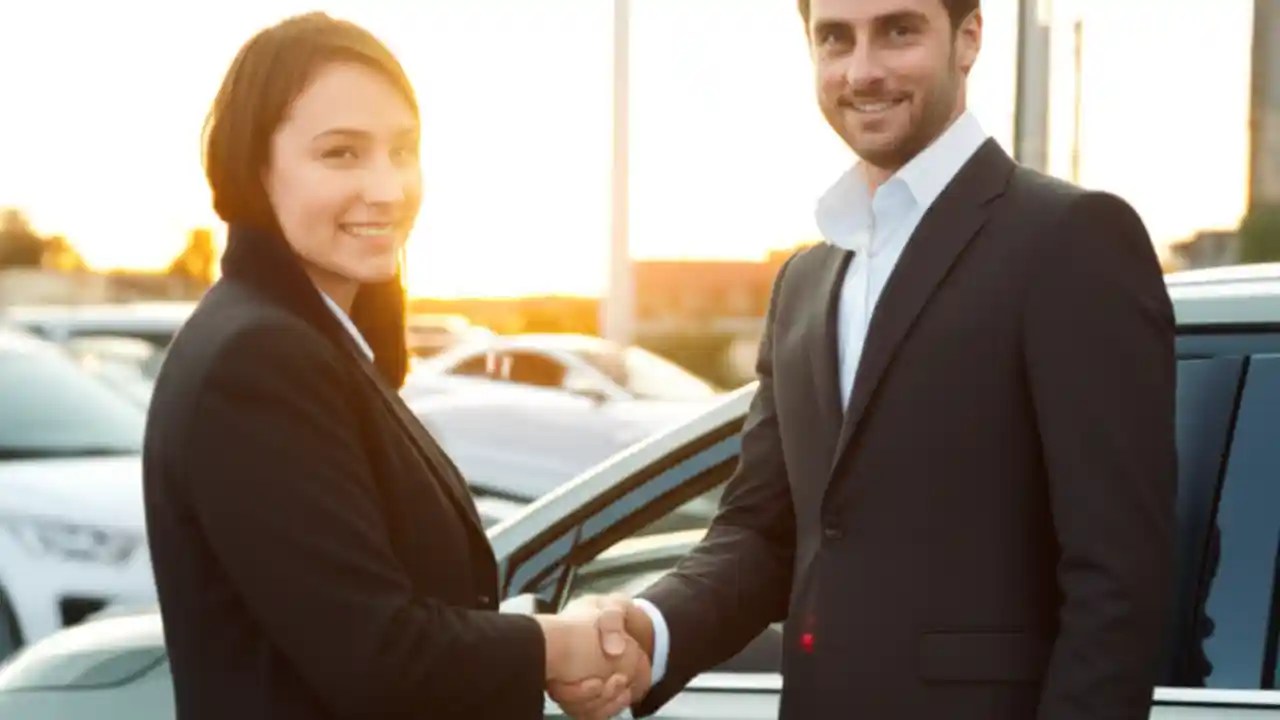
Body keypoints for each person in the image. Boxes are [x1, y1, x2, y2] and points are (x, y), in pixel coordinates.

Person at [557, 0, 1178, 718]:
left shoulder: (1070, 239)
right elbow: (762, 531)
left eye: (898, 30)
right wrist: (649, 631)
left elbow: (1118, 580)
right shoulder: (806, 280)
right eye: (835, 38)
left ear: (968, 37)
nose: (862, 71)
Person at [141, 13, 647, 719]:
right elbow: (374, 652)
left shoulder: (309, 339)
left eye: (402, 150)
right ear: (254, 166)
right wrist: (556, 646)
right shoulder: (259, 359)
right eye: (341, 154)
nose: (387, 188)